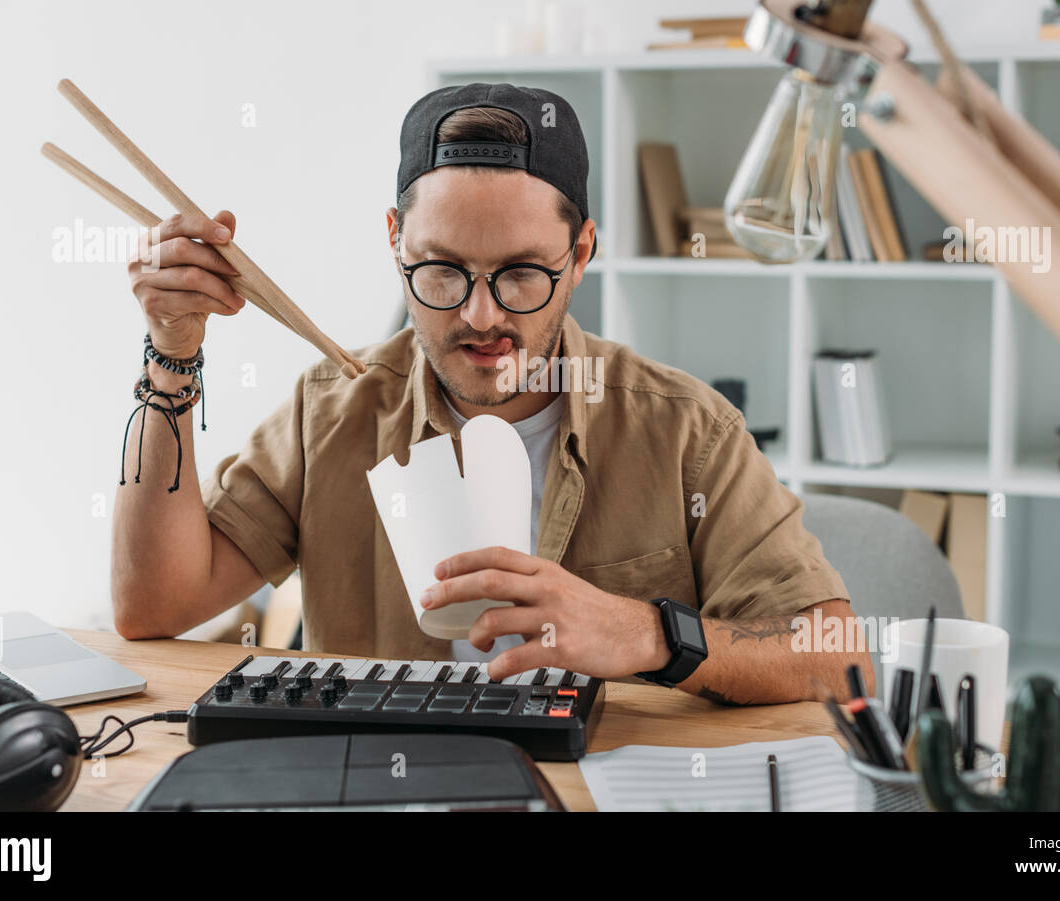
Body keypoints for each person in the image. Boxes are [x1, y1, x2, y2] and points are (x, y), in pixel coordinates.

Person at [111, 83, 874, 704]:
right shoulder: (333, 411)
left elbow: (841, 661)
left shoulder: (683, 431)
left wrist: (648, 633)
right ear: (394, 242)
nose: (482, 317)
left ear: (580, 255)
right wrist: (173, 351)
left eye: (520, 273)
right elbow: (152, 606)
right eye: (441, 270)